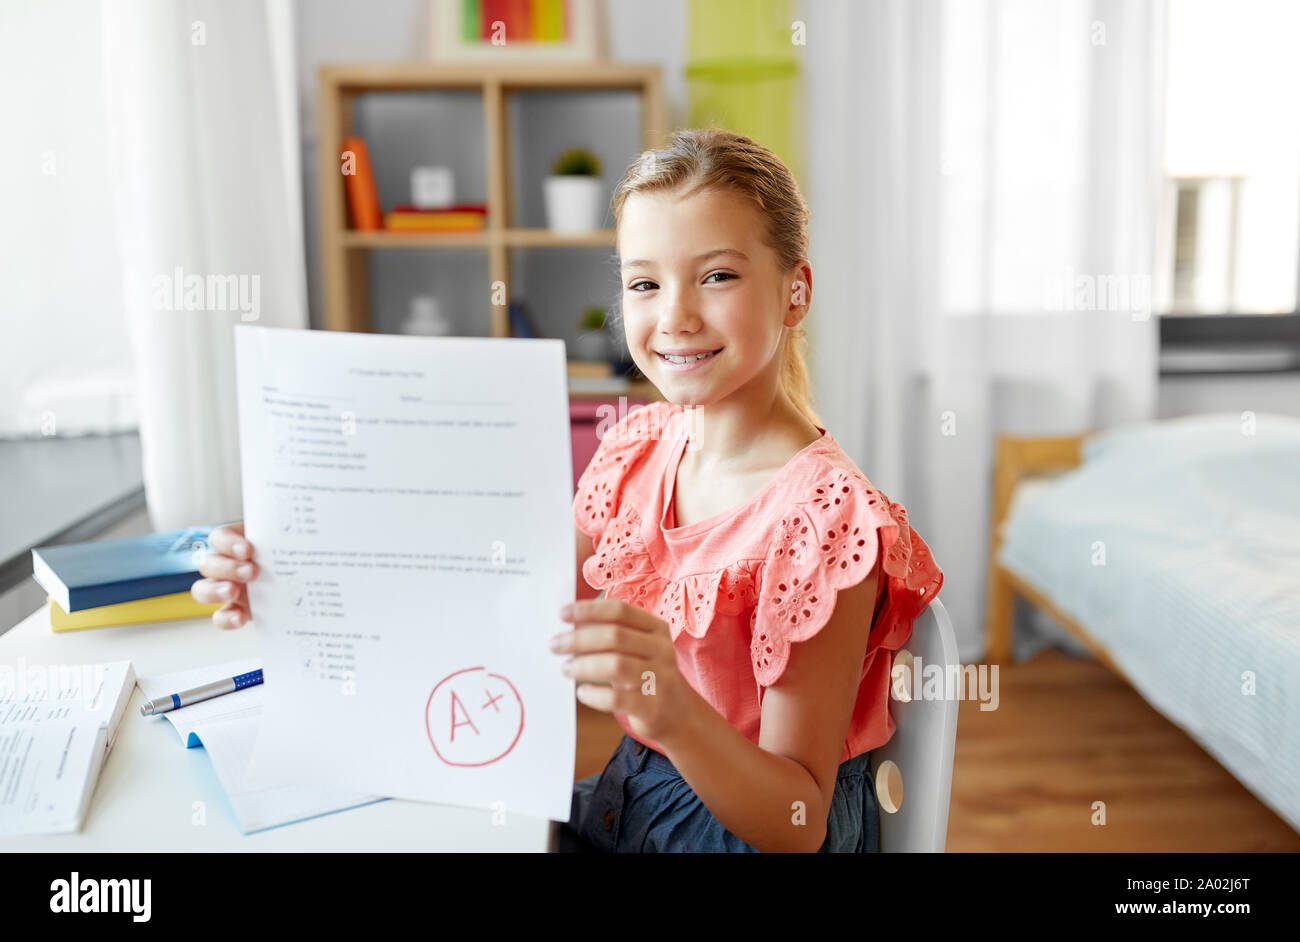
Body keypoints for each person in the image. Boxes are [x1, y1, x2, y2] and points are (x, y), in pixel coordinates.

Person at [193, 127, 944, 853]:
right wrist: (295, 578)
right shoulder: (638, 448)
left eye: (717, 275)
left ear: (795, 291)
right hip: (633, 799)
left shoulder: (826, 521)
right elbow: (501, 595)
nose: (675, 315)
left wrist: (676, 713)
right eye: (645, 283)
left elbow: (798, 820)